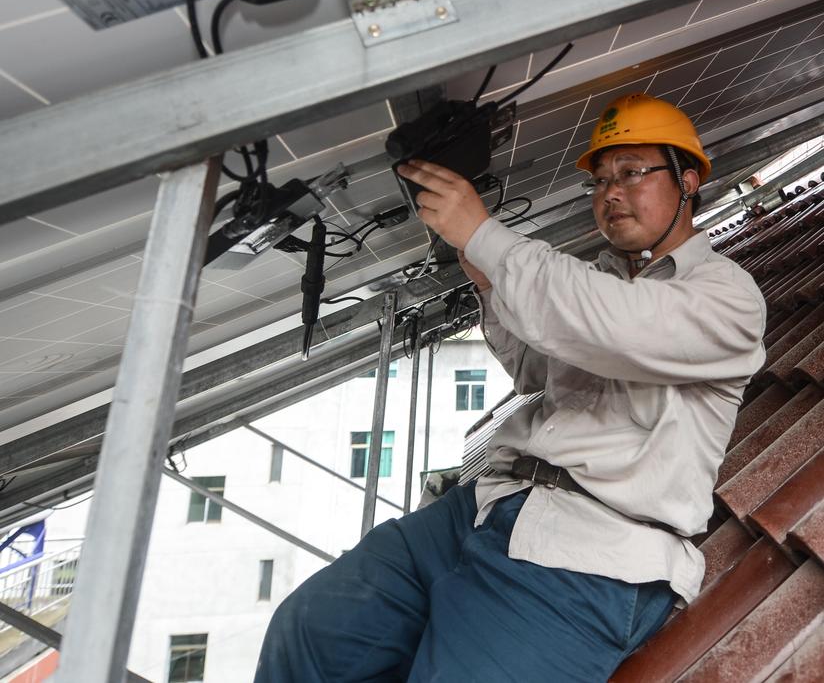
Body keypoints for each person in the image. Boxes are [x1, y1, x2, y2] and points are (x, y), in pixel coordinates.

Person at [253, 93, 766, 682]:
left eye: (632, 173)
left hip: (590, 555)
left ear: (690, 180)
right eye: (600, 181)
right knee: (310, 631)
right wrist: (490, 285)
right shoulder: (597, 284)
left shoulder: (727, 296)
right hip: (485, 509)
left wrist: (485, 235)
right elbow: (534, 369)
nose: (611, 193)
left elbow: (612, 320)